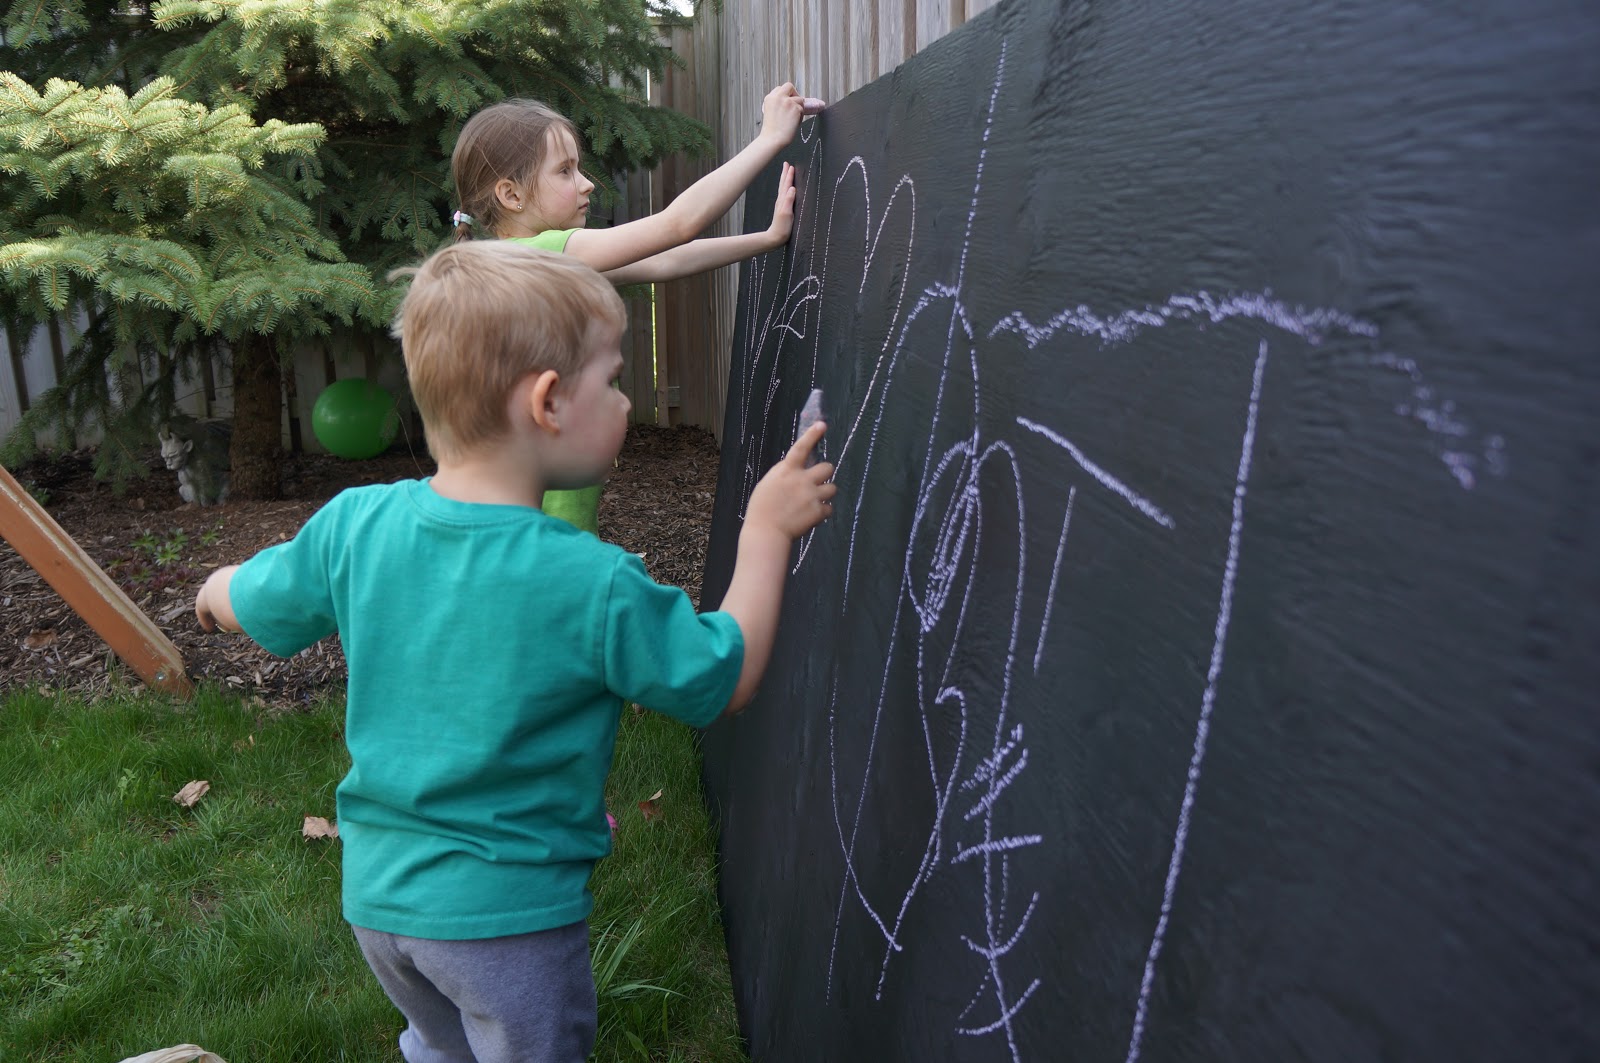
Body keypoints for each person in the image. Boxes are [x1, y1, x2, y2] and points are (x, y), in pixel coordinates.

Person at [193, 240, 836, 1062]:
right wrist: (765, 532)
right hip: (510, 923)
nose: (629, 400)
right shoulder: (591, 581)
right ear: (548, 403)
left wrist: (213, 591)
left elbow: (248, 597)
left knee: (440, 1046)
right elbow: (726, 674)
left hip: (382, 903)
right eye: (612, 377)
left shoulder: (355, 523)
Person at [447, 82, 813, 534]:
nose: (586, 183)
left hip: (538, 498)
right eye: (564, 171)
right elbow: (678, 225)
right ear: (511, 195)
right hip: (545, 509)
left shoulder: (527, 264)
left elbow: (665, 260)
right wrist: (770, 139)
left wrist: (768, 238)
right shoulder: (541, 253)